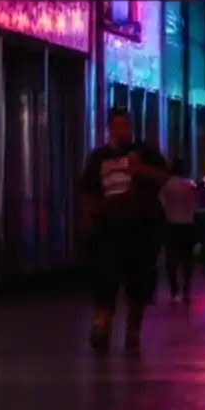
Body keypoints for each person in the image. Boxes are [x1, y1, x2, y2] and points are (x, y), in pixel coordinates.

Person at [81, 108, 167, 355]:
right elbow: (88, 191)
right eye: (116, 126)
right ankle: (102, 326)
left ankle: (132, 332)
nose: (121, 131)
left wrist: (139, 169)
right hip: (109, 228)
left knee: (138, 284)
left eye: (125, 126)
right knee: (105, 279)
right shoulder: (99, 157)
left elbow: (162, 176)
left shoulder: (145, 152)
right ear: (109, 129)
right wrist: (88, 224)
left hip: (140, 229)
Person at [161, 158, 198, 304]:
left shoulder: (167, 185)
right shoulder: (189, 185)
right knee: (188, 260)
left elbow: (162, 204)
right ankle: (186, 289)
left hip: (172, 225)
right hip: (188, 224)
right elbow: (195, 204)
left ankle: (174, 290)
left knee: (172, 260)